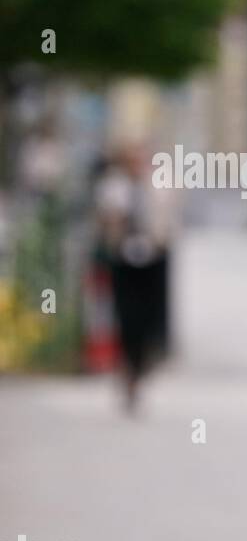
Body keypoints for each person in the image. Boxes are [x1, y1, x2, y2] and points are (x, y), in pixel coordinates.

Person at [93, 142, 176, 413]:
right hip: (123, 261)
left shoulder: (159, 186)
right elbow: (105, 222)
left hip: (151, 260)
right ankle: (127, 370)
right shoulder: (114, 187)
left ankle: (141, 366)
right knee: (126, 318)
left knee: (148, 319)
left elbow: (168, 222)